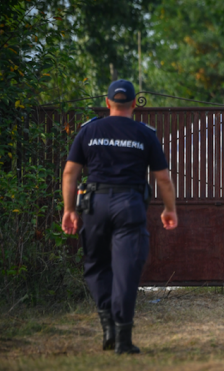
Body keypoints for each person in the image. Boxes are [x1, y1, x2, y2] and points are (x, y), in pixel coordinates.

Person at [61, 79, 178, 354]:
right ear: (135, 104)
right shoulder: (145, 133)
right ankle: (123, 340)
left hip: (95, 205)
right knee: (126, 270)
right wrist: (169, 209)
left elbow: (70, 173)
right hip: (129, 204)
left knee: (97, 265)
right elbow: (163, 178)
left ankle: (108, 328)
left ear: (107, 103)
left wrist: (68, 210)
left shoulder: (89, 131)